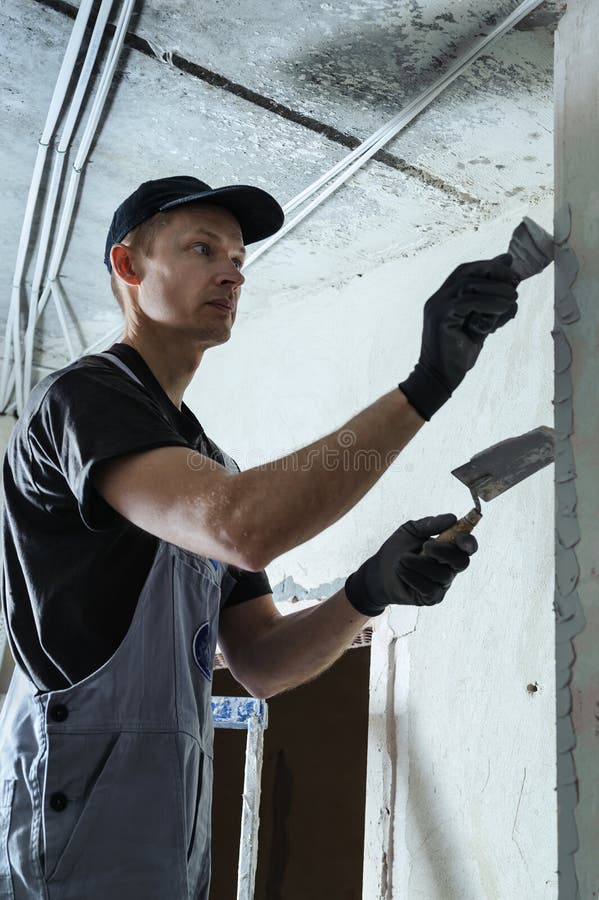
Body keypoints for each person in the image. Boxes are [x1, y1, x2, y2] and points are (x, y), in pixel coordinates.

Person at [0, 175, 519, 899]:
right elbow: (239, 527)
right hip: (76, 807)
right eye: (202, 248)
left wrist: (367, 590)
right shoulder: (84, 398)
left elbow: (262, 664)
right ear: (128, 267)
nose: (231, 272)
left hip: (166, 822)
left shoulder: (209, 466)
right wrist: (425, 383)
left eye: (239, 260)